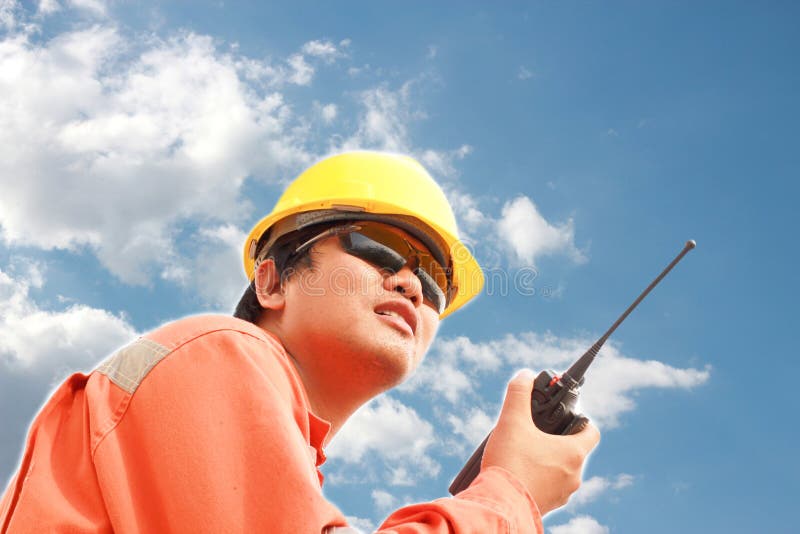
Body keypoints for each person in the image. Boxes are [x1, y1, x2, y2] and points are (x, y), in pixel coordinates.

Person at [0, 151, 599, 533]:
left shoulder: (283, 475)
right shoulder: (216, 352)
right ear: (272, 281)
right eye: (380, 246)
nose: (412, 284)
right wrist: (510, 494)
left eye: (436, 281)